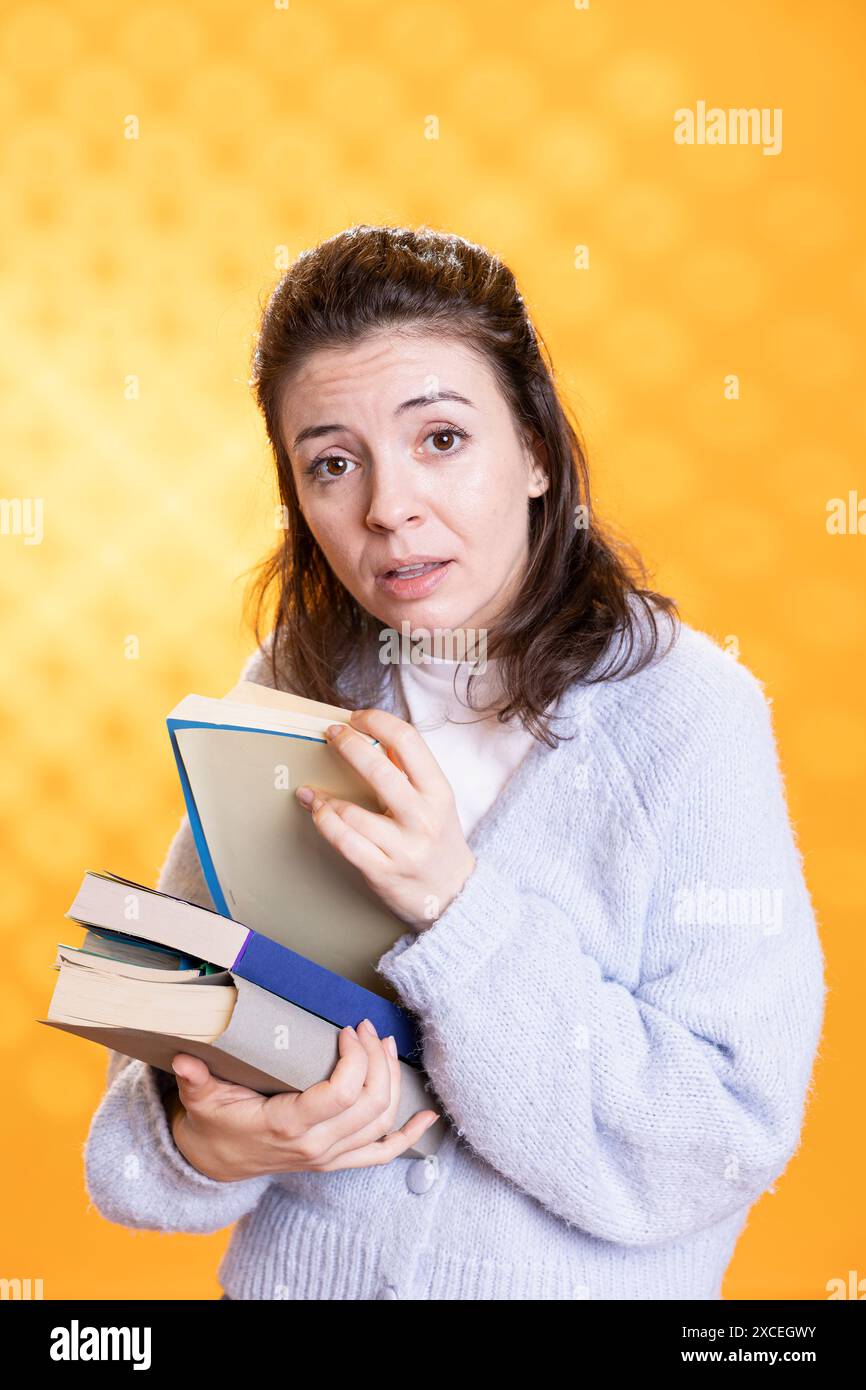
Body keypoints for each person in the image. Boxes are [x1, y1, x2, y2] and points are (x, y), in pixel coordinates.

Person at [84, 224, 826, 1301]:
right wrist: (215, 1142)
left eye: (439, 438)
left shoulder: (686, 716)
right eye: (332, 462)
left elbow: (719, 1135)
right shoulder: (294, 680)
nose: (387, 506)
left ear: (533, 450)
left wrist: (455, 907)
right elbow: (155, 1074)